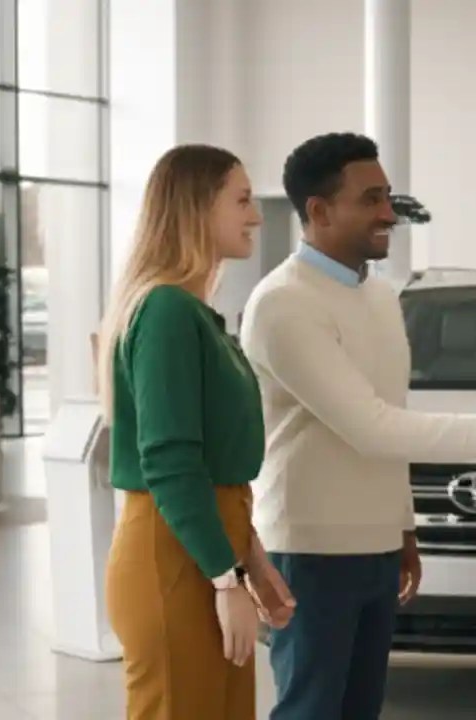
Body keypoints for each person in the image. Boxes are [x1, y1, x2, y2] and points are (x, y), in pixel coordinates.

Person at [238, 131, 476, 720]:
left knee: (360, 710)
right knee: (312, 710)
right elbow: (371, 427)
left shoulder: (377, 296)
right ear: (318, 211)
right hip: (312, 549)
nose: (388, 213)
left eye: (388, 196)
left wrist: (401, 526)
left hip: (372, 546)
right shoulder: (283, 303)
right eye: (370, 199)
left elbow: (388, 417)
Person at [98, 144, 297, 720]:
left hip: (206, 546)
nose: (256, 215)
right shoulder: (164, 312)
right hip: (174, 556)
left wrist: (249, 561)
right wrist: (225, 581)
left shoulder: (191, 314)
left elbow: (215, 466)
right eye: (240, 200)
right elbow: (170, 462)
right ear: (195, 208)